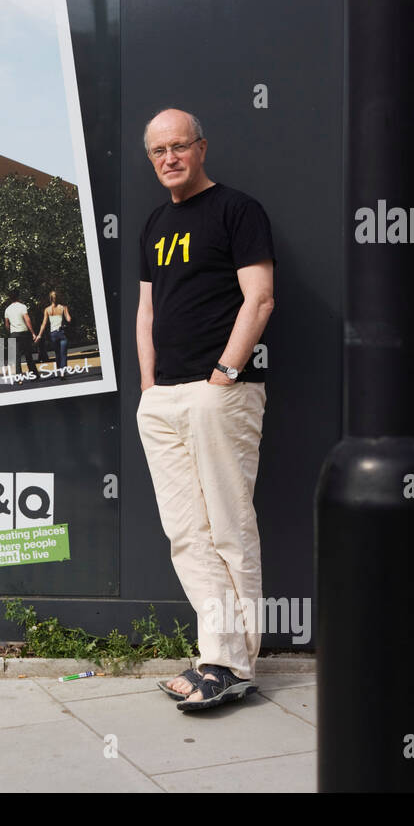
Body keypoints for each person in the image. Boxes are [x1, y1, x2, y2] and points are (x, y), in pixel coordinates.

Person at [136, 108, 275, 712]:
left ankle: (234, 663)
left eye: (179, 146)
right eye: (158, 150)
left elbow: (260, 297)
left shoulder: (237, 210)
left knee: (228, 527)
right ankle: (217, 658)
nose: (170, 157)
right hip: (163, 398)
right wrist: (148, 387)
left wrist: (225, 373)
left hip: (220, 394)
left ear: (201, 148)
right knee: (187, 535)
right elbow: (147, 313)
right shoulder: (153, 223)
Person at [2, 293, 41, 381]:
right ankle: (34, 375)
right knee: (28, 355)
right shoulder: (22, 306)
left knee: (17, 357)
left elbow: (7, 324)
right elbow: (27, 320)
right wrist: (33, 333)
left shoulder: (7, 310)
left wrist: (10, 332)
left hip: (14, 334)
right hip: (23, 333)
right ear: (18, 297)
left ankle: (19, 378)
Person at [35, 290, 72, 377]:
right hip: (62, 333)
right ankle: (63, 372)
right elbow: (69, 319)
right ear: (58, 298)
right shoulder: (63, 307)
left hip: (53, 334)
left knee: (57, 353)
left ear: (50, 299)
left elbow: (44, 324)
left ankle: (59, 370)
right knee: (63, 354)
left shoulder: (47, 310)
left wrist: (39, 335)